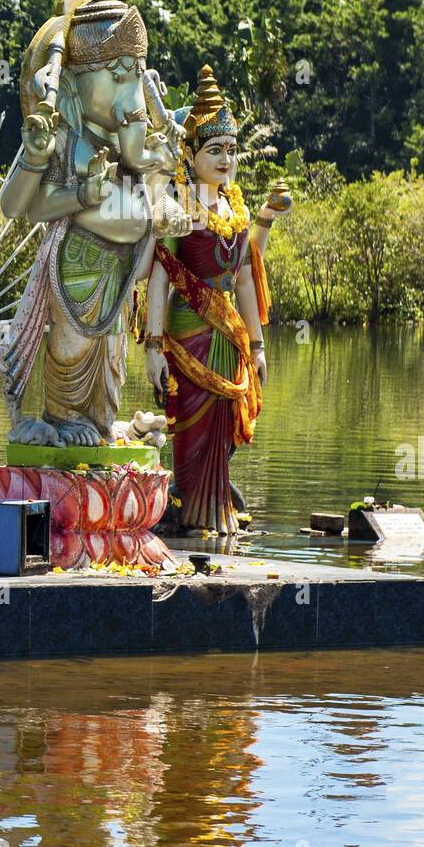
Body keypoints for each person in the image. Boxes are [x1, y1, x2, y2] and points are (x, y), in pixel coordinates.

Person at [143, 66, 288, 534]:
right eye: (215, 150)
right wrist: (151, 345)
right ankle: (186, 509)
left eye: (231, 150)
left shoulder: (237, 207)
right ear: (191, 153)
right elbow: (162, 276)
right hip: (187, 334)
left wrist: (260, 345)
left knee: (222, 427)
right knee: (190, 424)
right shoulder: (178, 205)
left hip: (230, 336)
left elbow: (244, 277)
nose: (226, 159)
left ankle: (216, 511)